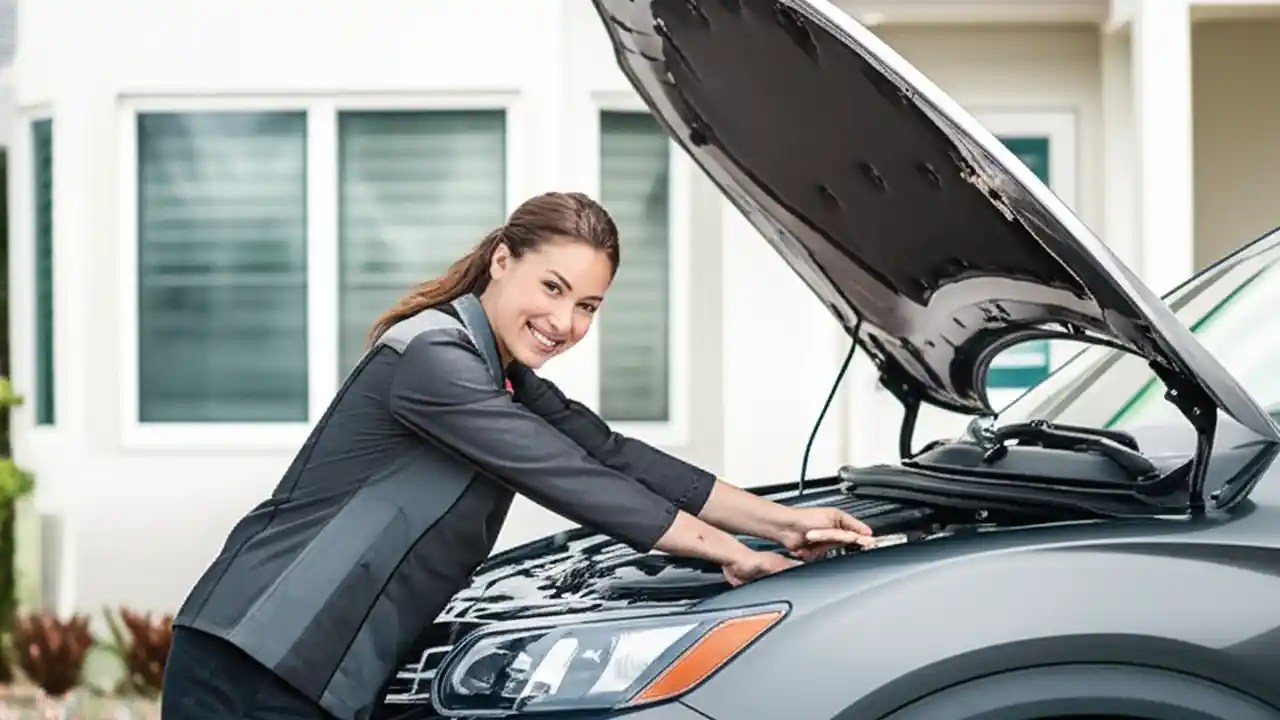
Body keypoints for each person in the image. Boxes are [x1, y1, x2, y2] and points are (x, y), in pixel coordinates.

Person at [161, 191, 876, 719]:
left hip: (310, 667)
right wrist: (729, 551)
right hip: (252, 657)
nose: (565, 323)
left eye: (589, 306)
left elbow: (615, 456)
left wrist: (781, 523)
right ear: (502, 260)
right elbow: (566, 476)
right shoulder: (432, 358)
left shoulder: (496, 373)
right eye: (553, 289)